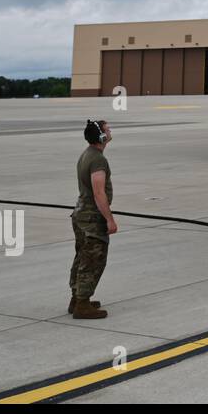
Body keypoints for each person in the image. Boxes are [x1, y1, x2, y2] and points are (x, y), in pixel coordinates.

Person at [69, 119, 118, 319]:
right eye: (107, 129)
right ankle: (82, 304)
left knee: (82, 258)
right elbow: (99, 192)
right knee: (93, 260)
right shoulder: (97, 159)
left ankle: (77, 299)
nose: (110, 131)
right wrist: (109, 219)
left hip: (81, 215)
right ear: (101, 136)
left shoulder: (87, 154)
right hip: (91, 218)